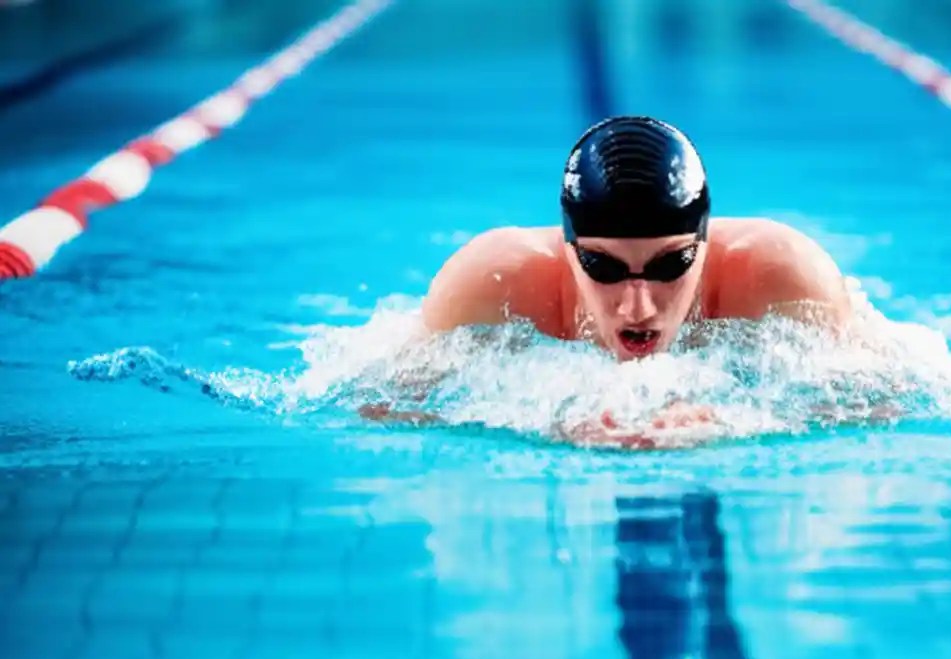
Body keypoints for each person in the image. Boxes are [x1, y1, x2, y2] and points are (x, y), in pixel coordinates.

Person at [365, 116, 862, 441]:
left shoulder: (783, 275)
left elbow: (895, 395)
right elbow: (375, 404)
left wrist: (736, 424)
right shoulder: (493, 282)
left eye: (671, 265)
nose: (638, 307)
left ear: (705, 247)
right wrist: (548, 425)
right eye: (603, 267)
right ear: (569, 250)